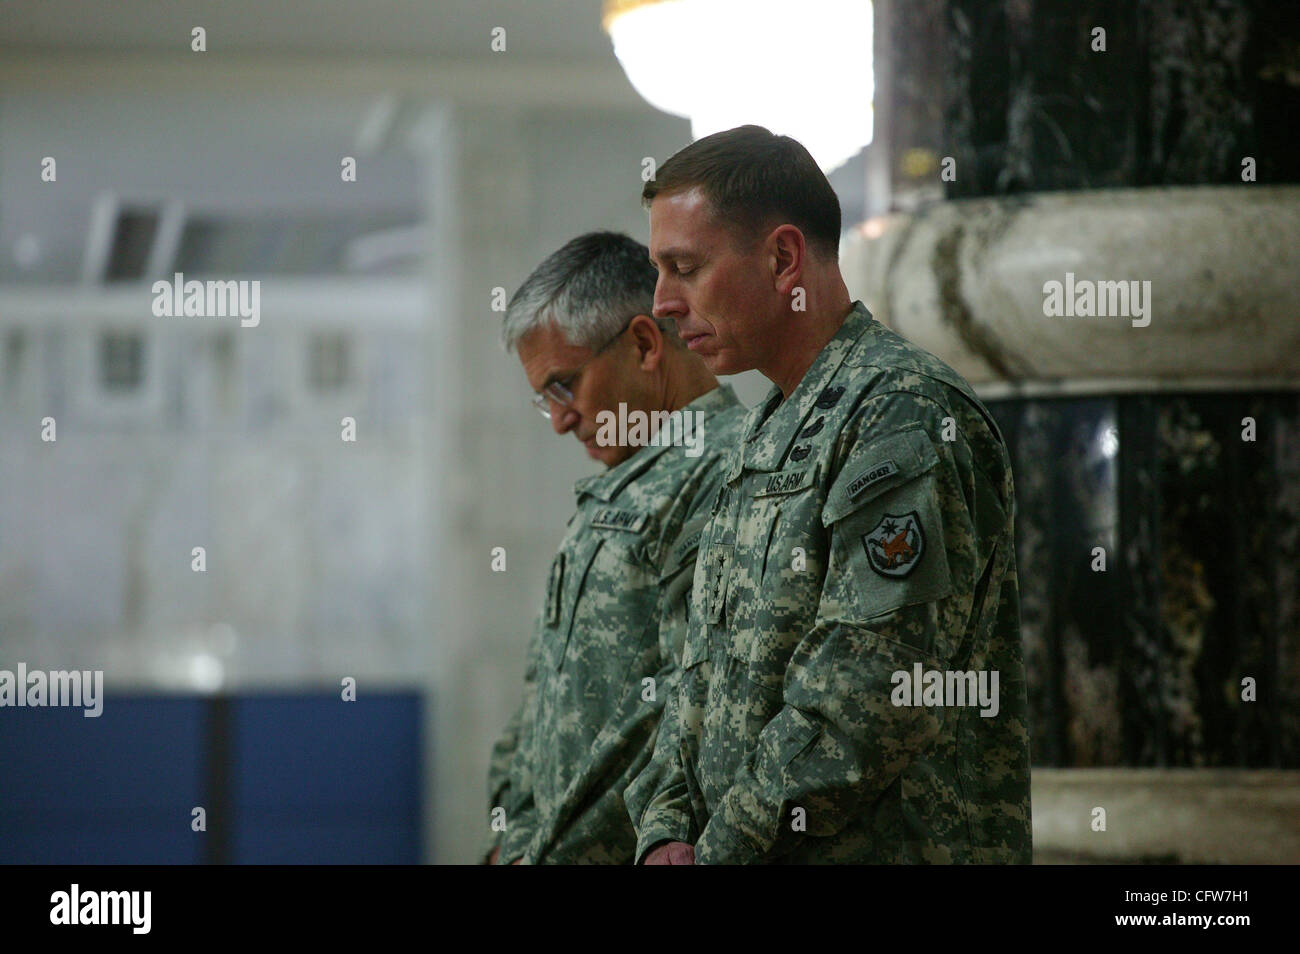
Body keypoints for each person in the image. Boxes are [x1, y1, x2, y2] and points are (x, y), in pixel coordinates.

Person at [627, 126, 1032, 864]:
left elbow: (869, 696)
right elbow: (696, 677)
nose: (664, 304)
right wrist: (665, 831)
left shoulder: (899, 412)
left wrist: (718, 852)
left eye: (685, 268)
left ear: (784, 259)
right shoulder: (765, 431)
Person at [483, 231, 747, 864]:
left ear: (643, 343)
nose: (559, 419)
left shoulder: (724, 472)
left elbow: (699, 703)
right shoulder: (621, 486)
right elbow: (543, 690)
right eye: (544, 397)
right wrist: (511, 839)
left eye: (565, 385)